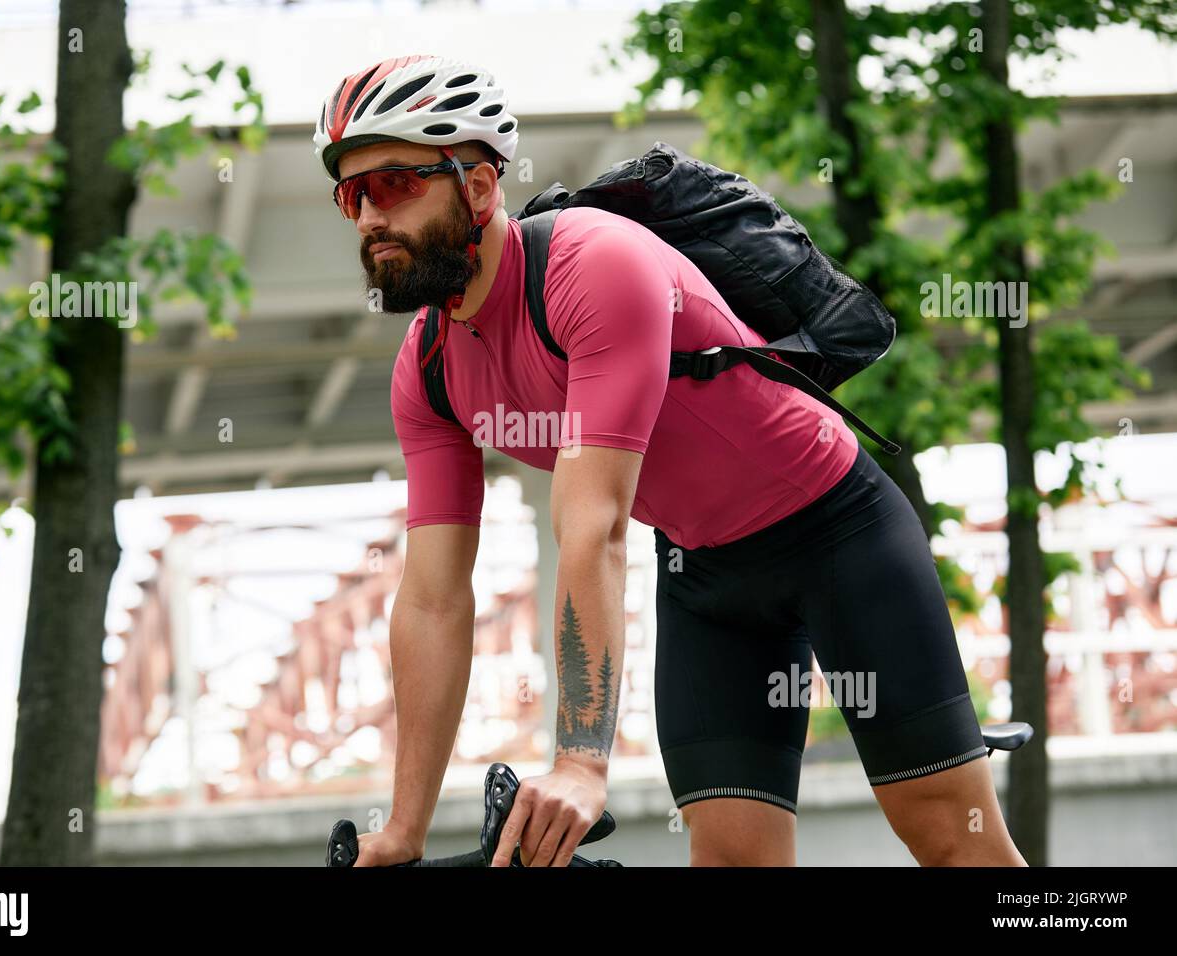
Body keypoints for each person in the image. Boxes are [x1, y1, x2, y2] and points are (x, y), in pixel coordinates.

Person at [313, 53, 1027, 867]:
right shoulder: (429, 369)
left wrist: (582, 759)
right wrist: (403, 833)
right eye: (351, 193)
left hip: (838, 534)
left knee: (951, 839)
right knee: (730, 862)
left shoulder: (592, 263)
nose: (370, 214)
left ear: (479, 188)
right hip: (706, 580)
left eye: (396, 184)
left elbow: (596, 523)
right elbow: (434, 599)